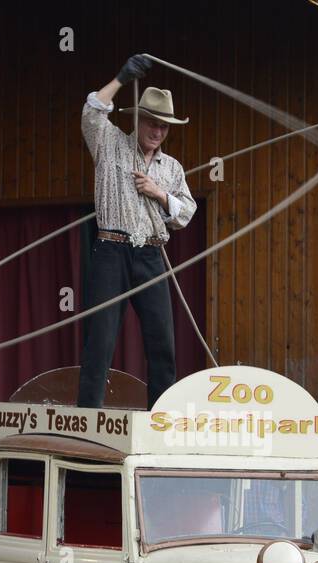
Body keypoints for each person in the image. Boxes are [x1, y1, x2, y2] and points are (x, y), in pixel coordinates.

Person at [78, 54, 197, 409]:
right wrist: (120, 77)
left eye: (164, 127)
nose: (157, 132)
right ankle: (89, 417)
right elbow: (92, 112)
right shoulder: (110, 143)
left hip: (151, 253)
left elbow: (186, 213)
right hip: (111, 250)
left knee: (162, 342)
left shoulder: (171, 168)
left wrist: (158, 194)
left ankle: (158, 417)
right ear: (138, 120)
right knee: (100, 341)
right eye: (152, 123)